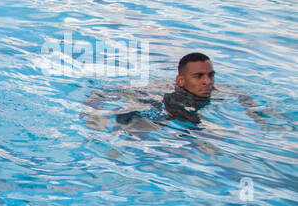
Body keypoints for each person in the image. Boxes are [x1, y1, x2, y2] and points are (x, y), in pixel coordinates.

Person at [84, 52, 276, 129]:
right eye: (199, 76)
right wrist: (93, 113)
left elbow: (244, 96)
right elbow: (104, 92)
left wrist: (259, 117)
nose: (207, 82)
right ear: (180, 80)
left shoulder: (220, 91)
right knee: (132, 119)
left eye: (211, 75)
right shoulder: (159, 89)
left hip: (187, 118)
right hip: (159, 109)